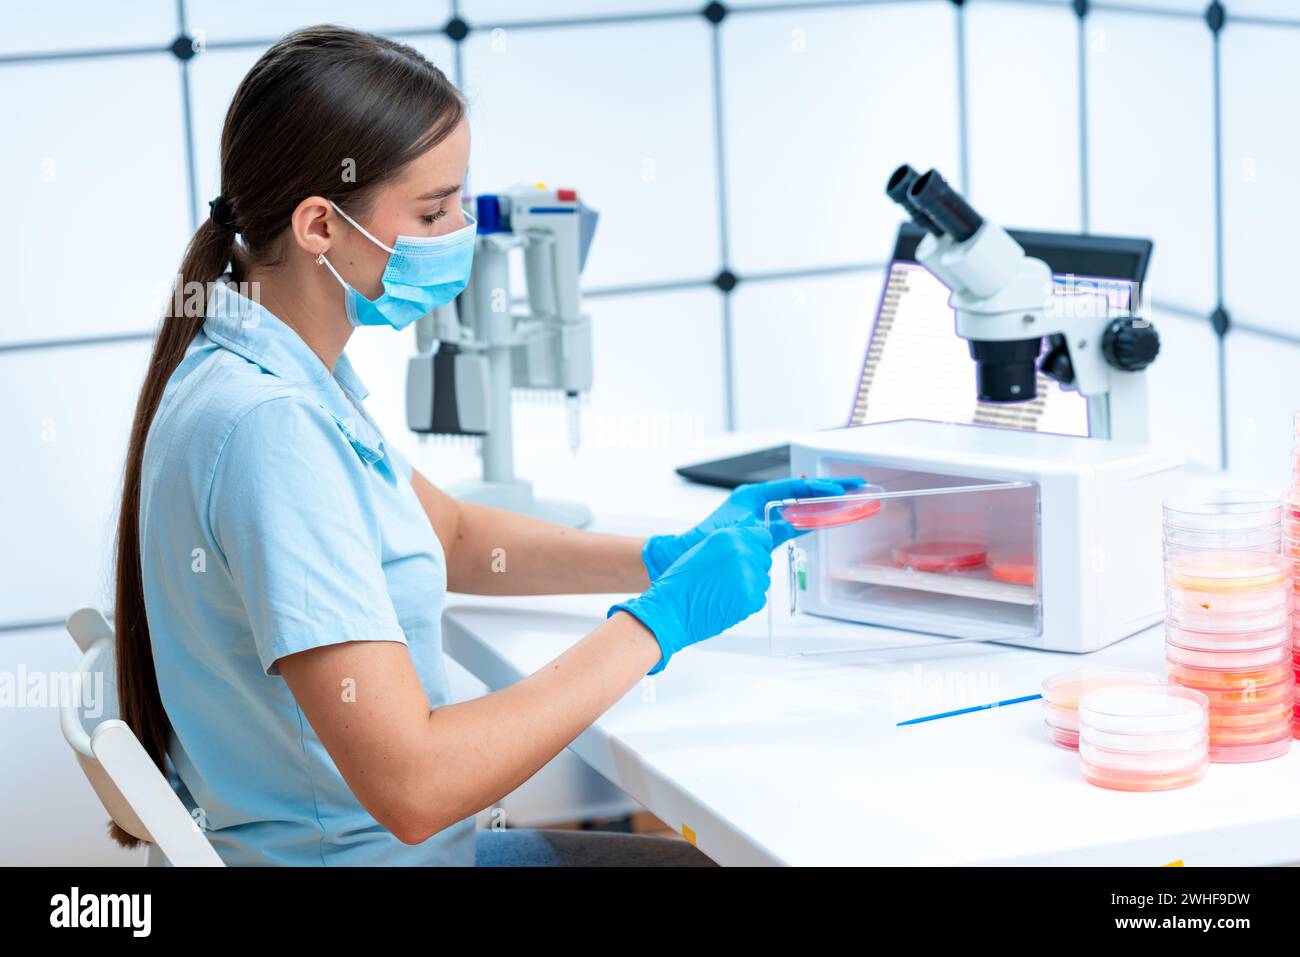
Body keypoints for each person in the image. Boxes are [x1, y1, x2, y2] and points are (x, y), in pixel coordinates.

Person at [112, 25, 861, 866]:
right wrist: (657, 624)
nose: (460, 231)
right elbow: (415, 785)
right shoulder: (269, 431)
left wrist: (663, 555)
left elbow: (457, 537)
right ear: (320, 224)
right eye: (433, 210)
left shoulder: (258, 371)